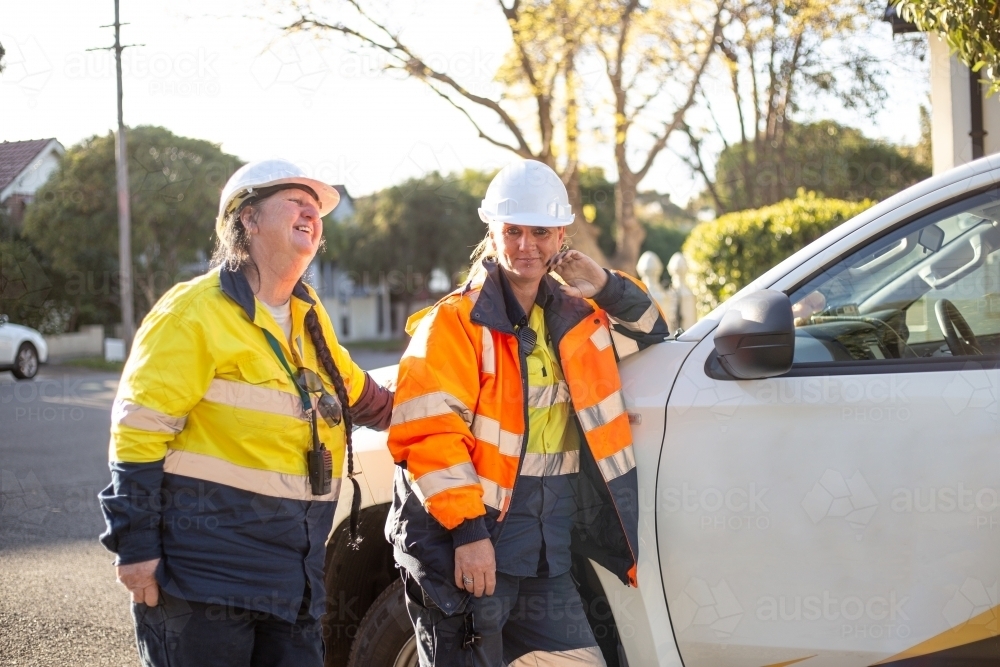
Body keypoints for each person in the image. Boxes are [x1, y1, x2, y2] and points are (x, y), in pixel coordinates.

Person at [98, 159, 393, 667]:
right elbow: (137, 437)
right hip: (204, 585)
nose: (310, 211)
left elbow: (365, 398)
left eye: (315, 206)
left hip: (294, 584)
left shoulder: (309, 315)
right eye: (294, 200)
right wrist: (136, 549)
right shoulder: (193, 311)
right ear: (248, 220)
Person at [386, 159, 669, 666]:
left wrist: (604, 282)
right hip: (470, 548)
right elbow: (428, 434)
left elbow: (654, 331)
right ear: (492, 233)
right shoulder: (454, 322)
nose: (525, 246)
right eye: (512, 231)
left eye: (540, 232)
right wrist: (470, 536)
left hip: (545, 551)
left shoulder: (578, 315)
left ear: (561, 234)